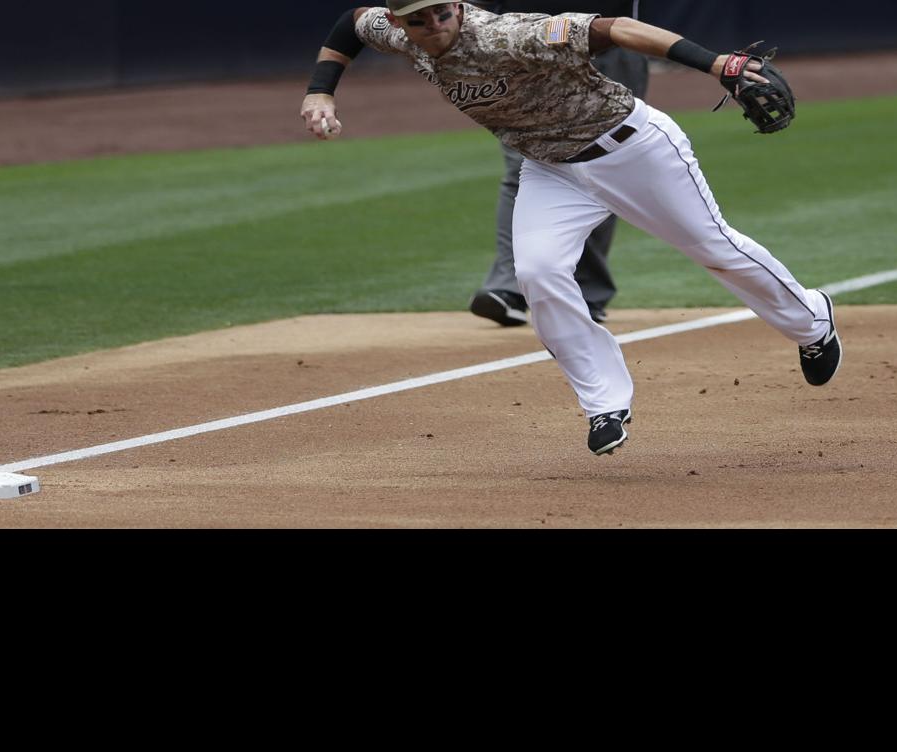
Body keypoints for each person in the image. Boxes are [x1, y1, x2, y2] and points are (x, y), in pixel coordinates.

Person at [300, 0, 841, 456]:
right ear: (400, 24)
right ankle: (605, 403)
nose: (437, 26)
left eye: (444, 13)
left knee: (713, 247)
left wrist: (712, 62)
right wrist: (321, 90)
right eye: (422, 20)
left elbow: (615, 28)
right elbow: (350, 24)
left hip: (633, 150)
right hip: (550, 169)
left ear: (458, 8)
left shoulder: (509, 36)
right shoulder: (397, 33)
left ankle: (811, 322)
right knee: (536, 272)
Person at [469, 1, 649, 327]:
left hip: (604, 42)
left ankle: (584, 290)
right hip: (517, 47)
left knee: (599, 166)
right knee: (521, 170)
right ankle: (510, 286)